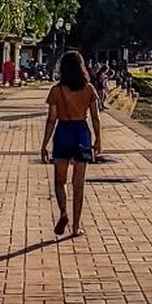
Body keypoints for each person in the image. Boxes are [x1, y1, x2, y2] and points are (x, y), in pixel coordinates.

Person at [40, 50, 102, 238]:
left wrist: (44, 144)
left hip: (63, 132)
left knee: (60, 181)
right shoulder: (89, 89)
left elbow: (51, 119)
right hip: (81, 133)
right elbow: (95, 117)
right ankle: (76, 227)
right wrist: (98, 139)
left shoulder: (56, 91)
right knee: (78, 183)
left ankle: (63, 212)